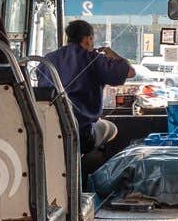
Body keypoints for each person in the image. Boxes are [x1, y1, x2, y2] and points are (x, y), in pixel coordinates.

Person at [37, 19, 134, 155]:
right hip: (80, 134)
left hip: (47, 130)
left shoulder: (47, 60)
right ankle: (89, 167)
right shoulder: (93, 59)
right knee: (111, 128)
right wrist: (112, 55)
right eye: (92, 40)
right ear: (88, 39)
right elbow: (130, 72)